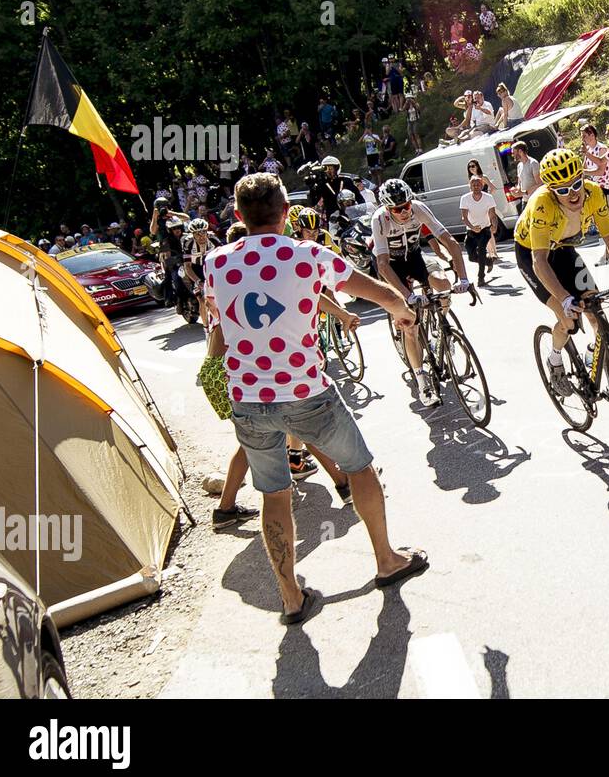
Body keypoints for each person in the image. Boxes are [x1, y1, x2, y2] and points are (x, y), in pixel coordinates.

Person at [203, 173, 427, 623]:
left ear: (239, 215)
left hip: (247, 397)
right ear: (286, 213)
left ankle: (291, 598)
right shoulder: (306, 254)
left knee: (274, 494)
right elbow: (376, 290)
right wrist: (403, 315)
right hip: (306, 390)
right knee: (359, 467)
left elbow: (218, 317)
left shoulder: (216, 261)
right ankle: (386, 560)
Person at [513, 148, 609, 395]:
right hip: (532, 253)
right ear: (552, 191)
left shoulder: (593, 193)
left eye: (576, 184)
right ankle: (555, 359)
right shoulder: (541, 203)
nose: (572, 194)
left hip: (563, 248)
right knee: (569, 320)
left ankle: (600, 364)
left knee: (595, 310)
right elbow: (539, 260)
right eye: (562, 190)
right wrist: (565, 298)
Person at [371, 178, 471, 405]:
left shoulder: (418, 208)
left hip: (416, 257)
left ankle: (441, 328)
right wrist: (408, 296)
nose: (405, 211)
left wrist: (463, 278)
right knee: (410, 326)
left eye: (406, 205)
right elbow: (383, 265)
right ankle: (422, 381)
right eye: (398, 209)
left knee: (443, 284)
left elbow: (450, 242)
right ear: (388, 208)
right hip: (393, 265)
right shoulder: (380, 220)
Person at [459, 175, 499, 286]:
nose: (476, 186)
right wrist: (472, 227)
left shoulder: (488, 198)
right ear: (470, 186)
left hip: (484, 230)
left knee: (481, 251)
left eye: (478, 184)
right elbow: (464, 218)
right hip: (471, 230)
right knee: (472, 257)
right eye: (474, 185)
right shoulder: (465, 198)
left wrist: (494, 225)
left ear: (482, 186)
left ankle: (481, 278)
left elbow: (493, 215)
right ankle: (489, 261)